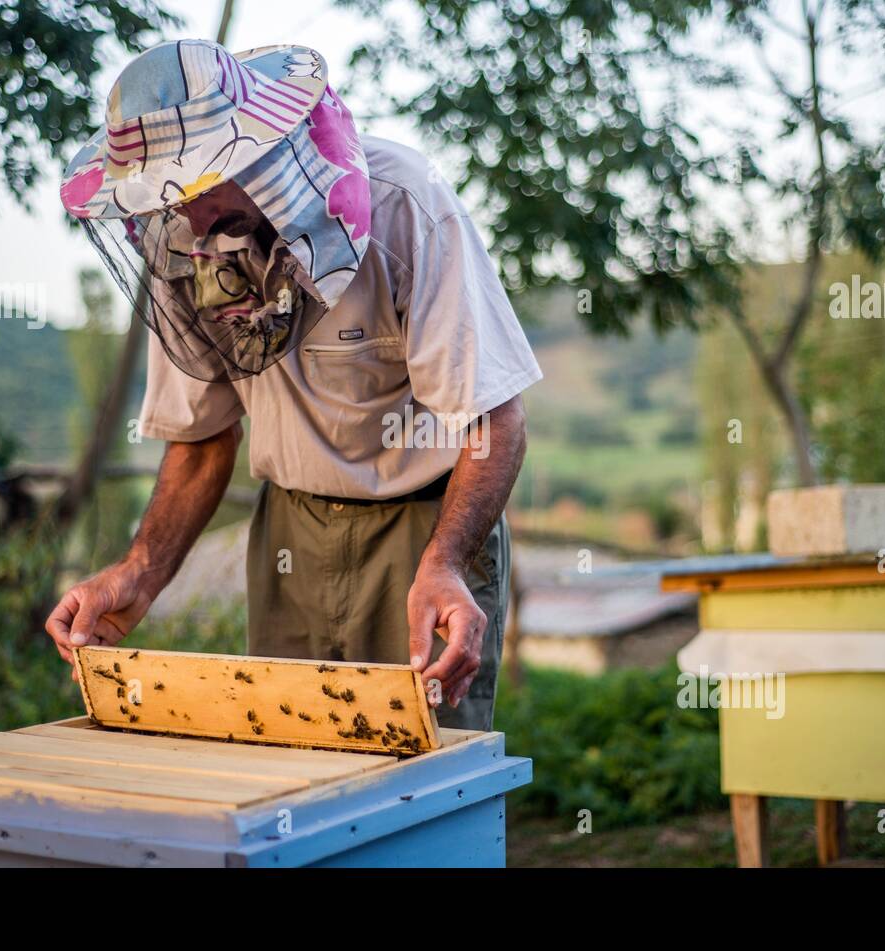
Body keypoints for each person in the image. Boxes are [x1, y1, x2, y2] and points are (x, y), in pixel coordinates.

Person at [46, 39, 541, 730]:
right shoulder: (182, 243)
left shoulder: (406, 203)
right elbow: (201, 439)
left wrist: (447, 563)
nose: (184, 219)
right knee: (288, 767)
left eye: (193, 185)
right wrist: (139, 570)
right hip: (288, 534)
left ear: (259, 153)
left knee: (421, 786)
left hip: (424, 525)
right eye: (160, 195)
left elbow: (495, 423)